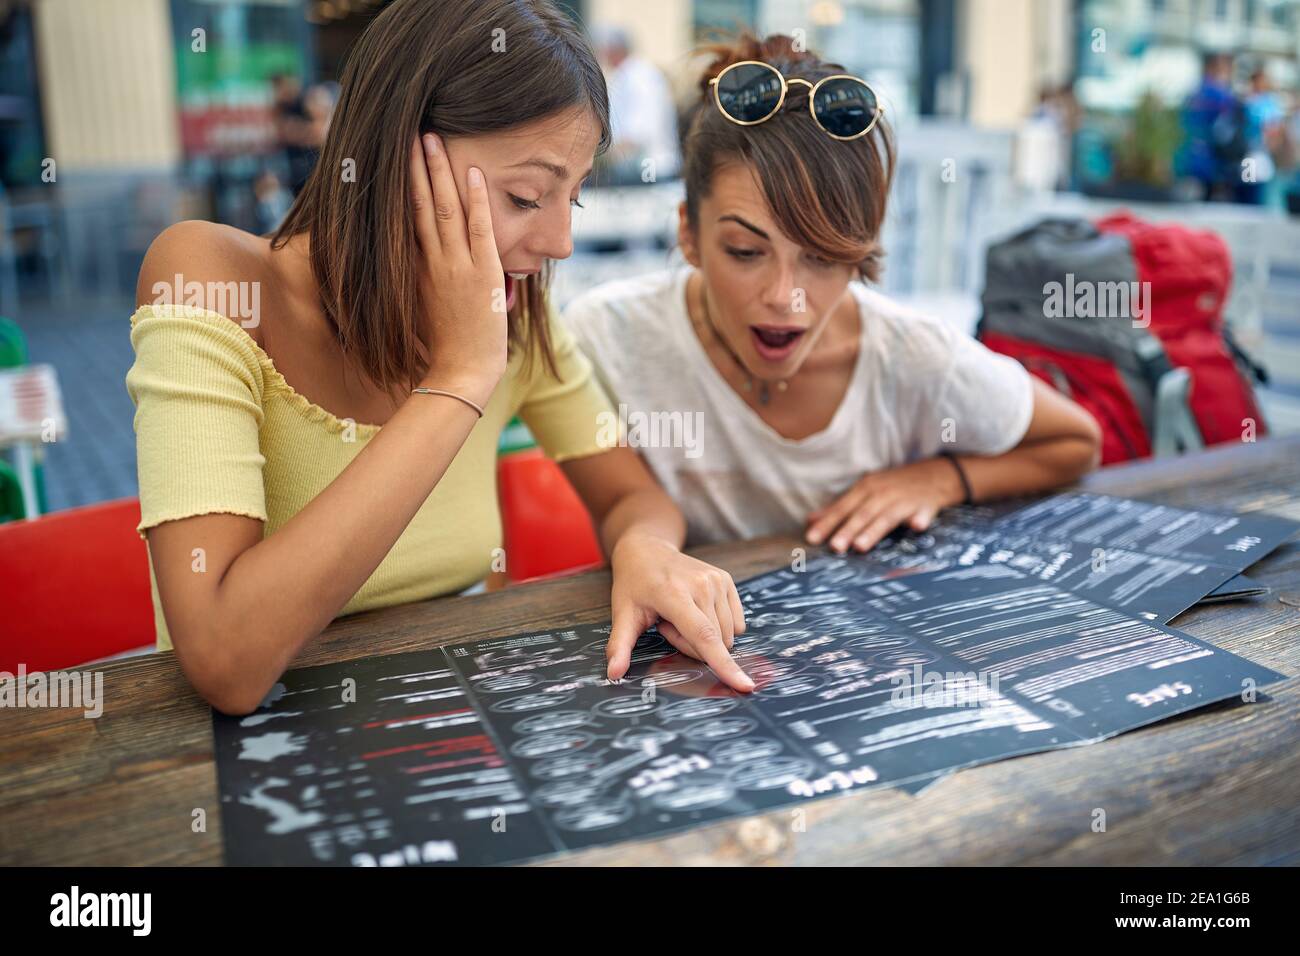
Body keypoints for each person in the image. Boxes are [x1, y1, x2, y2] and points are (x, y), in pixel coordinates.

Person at [126, 0, 752, 716]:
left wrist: (645, 548)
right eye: (526, 195)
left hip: (459, 731)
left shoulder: (516, 308)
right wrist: (456, 381)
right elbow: (224, 661)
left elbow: (630, 495)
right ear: (396, 154)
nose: (559, 243)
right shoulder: (212, 278)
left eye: (571, 200)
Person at [564, 34, 1102, 553]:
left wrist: (941, 479)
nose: (784, 296)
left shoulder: (913, 356)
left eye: (821, 257)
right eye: (745, 252)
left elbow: (1077, 442)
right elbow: (623, 504)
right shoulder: (608, 337)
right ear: (689, 233)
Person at [593, 26, 681, 184]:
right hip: (641, 167)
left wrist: (601, 156)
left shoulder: (639, 76)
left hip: (649, 168)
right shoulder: (628, 74)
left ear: (612, 50)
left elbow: (640, 132)